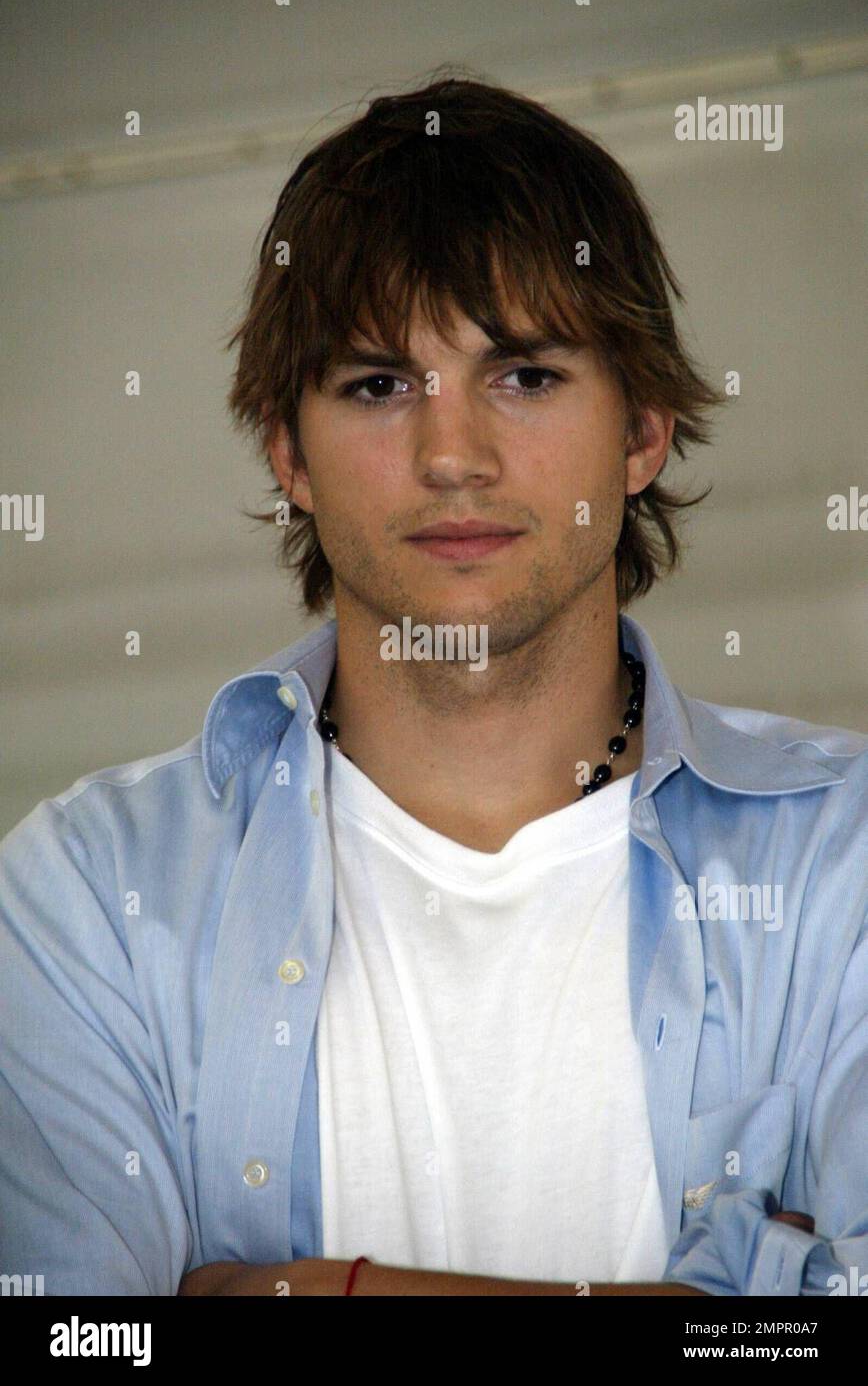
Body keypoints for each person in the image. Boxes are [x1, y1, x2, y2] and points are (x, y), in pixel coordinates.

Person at [1, 74, 865, 1298]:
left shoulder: (843, 861)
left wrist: (319, 1293)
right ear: (287, 452)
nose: (451, 454)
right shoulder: (86, 898)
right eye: (376, 384)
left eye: (523, 374)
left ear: (643, 431)